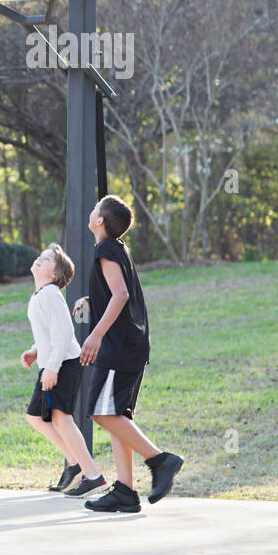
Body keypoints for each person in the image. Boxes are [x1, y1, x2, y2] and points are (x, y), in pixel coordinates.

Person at [75, 194, 183, 513]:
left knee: (101, 411)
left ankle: (161, 460)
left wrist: (94, 336)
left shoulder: (106, 248)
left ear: (100, 221)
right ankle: (124, 490)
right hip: (132, 345)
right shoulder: (119, 248)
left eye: (96, 209)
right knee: (116, 415)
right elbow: (117, 293)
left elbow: (121, 294)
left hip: (118, 348)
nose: (92, 211)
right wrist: (91, 302)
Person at [20, 243, 106, 497]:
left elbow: (65, 332)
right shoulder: (39, 295)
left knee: (61, 419)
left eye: (46, 259)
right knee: (36, 417)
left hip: (63, 365)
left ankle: (93, 475)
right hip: (52, 364)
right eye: (41, 256)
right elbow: (50, 333)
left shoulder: (50, 294)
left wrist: (53, 368)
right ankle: (73, 461)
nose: (39, 259)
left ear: (55, 275)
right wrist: (36, 351)